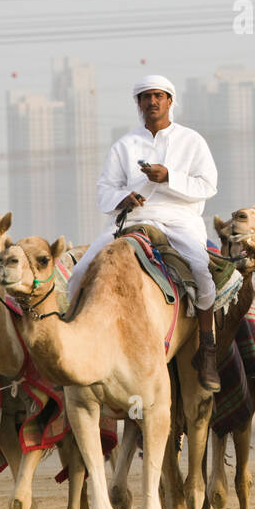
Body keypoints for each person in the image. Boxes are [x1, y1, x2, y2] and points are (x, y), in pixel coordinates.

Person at [66, 74, 221, 392]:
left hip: (179, 220)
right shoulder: (124, 145)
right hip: (132, 219)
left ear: (170, 101)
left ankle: (207, 349)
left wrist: (169, 177)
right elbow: (104, 190)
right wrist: (123, 198)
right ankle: (74, 347)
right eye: (145, 97)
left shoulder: (191, 141)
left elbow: (208, 185)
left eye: (158, 96)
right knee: (79, 272)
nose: (152, 102)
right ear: (138, 103)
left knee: (204, 274)